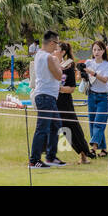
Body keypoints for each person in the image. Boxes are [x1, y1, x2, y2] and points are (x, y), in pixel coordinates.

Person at [27, 31, 65, 168]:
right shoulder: (48, 57)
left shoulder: (39, 54)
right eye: (57, 43)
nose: (57, 47)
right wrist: (59, 65)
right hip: (45, 96)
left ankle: (51, 156)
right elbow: (59, 76)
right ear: (51, 42)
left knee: (56, 125)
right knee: (42, 128)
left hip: (48, 96)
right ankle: (34, 159)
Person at [54, 42, 94, 164]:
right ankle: (49, 155)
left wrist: (58, 88)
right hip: (52, 101)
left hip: (64, 104)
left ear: (63, 52)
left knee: (72, 129)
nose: (53, 51)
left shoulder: (68, 67)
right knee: (51, 128)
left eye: (56, 49)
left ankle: (83, 154)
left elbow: (71, 88)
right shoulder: (51, 65)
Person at [85, 39, 108, 156]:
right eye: (94, 49)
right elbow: (84, 77)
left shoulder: (107, 64)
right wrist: (83, 74)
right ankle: (104, 149)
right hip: (91, 95)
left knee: (99, 122)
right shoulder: (88, 63)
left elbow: (105, 79)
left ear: (103, 51)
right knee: (92, 122)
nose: (96, 52)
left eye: (99, 49)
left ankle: (93, 147)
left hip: (104, 96)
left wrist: (93, 73)